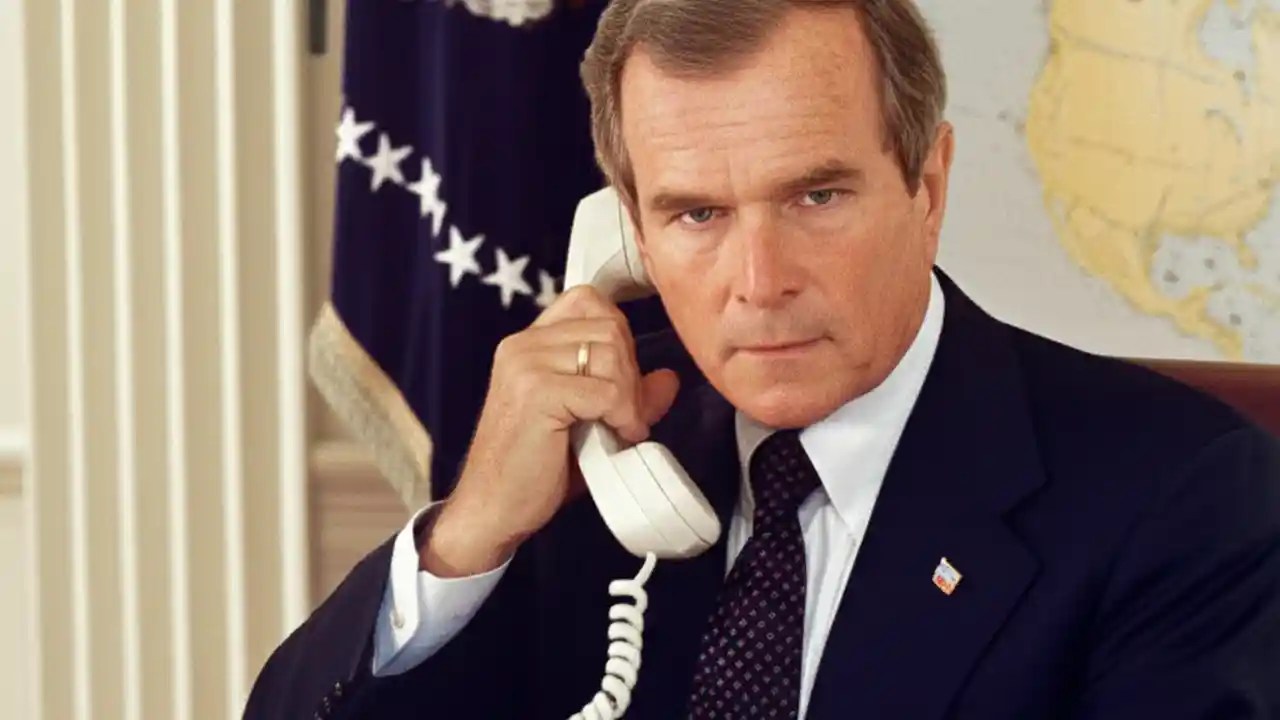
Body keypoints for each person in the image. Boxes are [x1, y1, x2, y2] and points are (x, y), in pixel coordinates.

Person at [245, 1, 1280, 718]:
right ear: (630, 237)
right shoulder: (582, 462)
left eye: (814, 197)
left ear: (925, 186)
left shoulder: (1180, 496)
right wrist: (469, 538)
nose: (758, 279)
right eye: (695, 213)